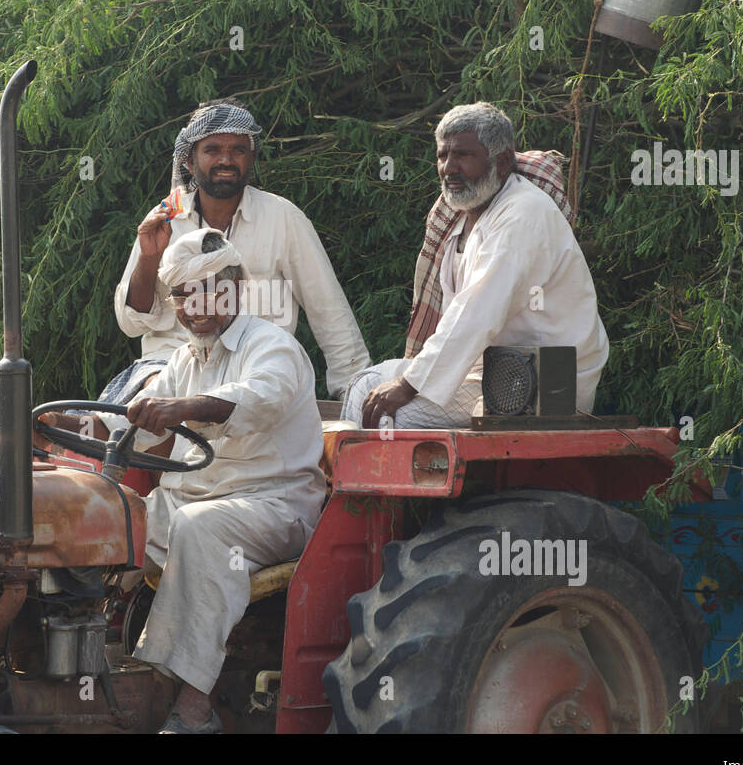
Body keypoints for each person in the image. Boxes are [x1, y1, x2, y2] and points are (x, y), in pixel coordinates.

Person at [42, 228, 326, 733]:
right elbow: (122, 429)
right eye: (182, 295)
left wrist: (180, 407)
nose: (194, 306)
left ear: (235, 287)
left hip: (273, 506)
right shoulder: (184, 359)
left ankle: (192, 708)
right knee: (104, 520)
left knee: (199, 529)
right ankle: (80, 659)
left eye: (206, 290)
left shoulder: (272, 348)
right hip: (194, 500)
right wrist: (49, 423)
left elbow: (253, 400)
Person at [342, 102, 609, 428]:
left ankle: (372, 481)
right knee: (363, 387)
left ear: (502, 162)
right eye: (443, 155)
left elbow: (476, 313)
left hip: (543, 381)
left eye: (463, 155)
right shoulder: (463, 216)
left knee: (394, 417)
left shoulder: (523, 213)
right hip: (490, 370)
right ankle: (349, 482)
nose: (448, 168)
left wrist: (409, 385)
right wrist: (411, 380)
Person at [105, 98, 370, 405]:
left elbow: (329, 310)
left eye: (238, 150)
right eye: (213, 149)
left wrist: (355, 394)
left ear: (251, 159)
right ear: (190, 161)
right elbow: (131, 323)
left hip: (252, 366)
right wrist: (149, 258)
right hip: (169, 366)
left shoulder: (283, 217)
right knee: (151, 400)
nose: (226, 160)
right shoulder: (165, 219)